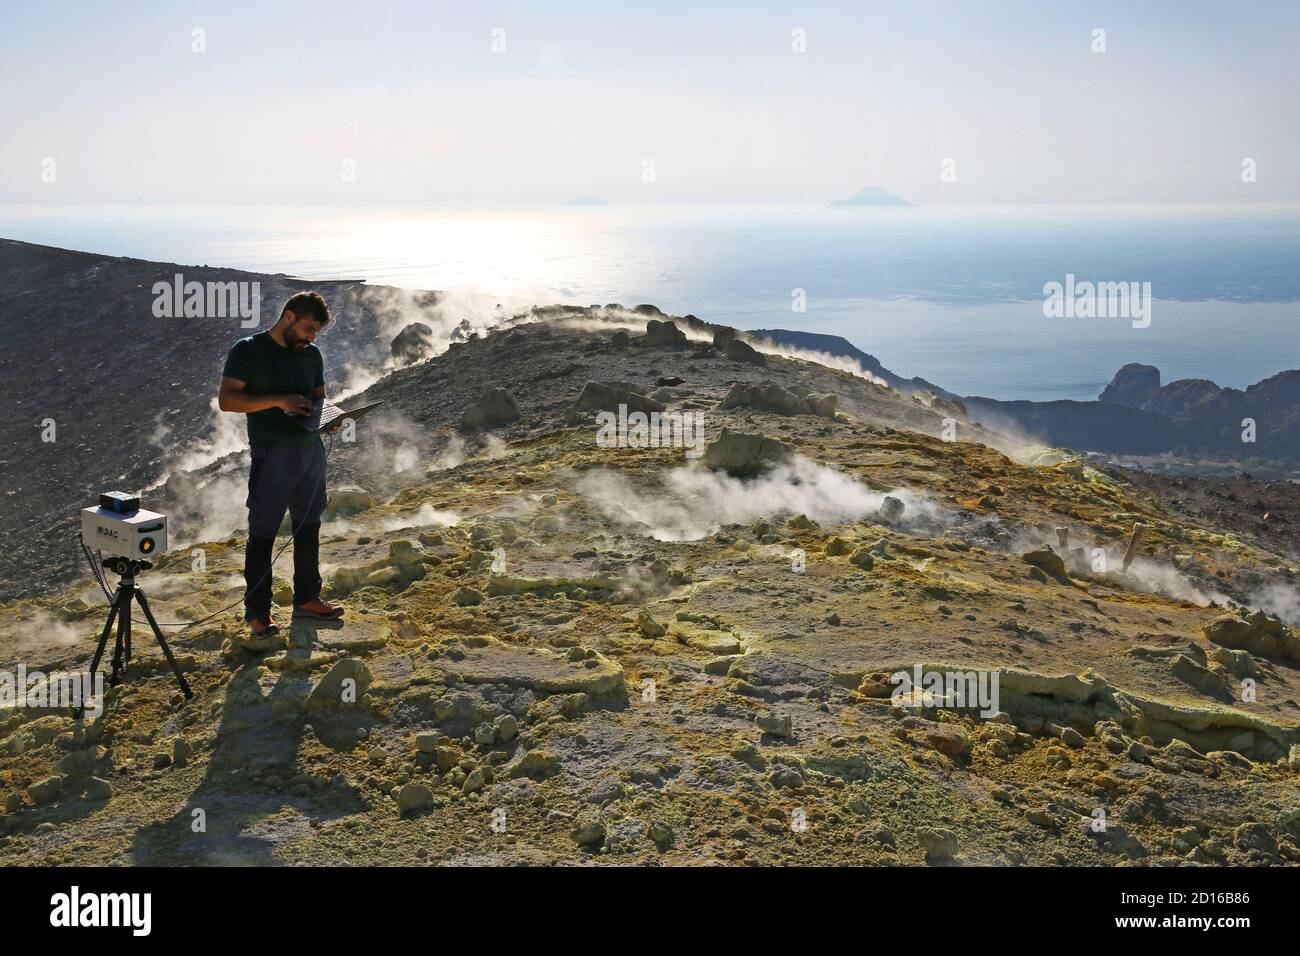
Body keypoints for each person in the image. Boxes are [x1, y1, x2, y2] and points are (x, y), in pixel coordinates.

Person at [218, 291, 345, 636]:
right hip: (271, 453)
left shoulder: (312, 354)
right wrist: (277, 400)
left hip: (310, 451)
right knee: (263, 533)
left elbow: (319, 398)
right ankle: (258, 614)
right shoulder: (247, 350)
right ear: (288, 316)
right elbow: (227, 400)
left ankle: (307, 598)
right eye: (307, 328)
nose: (310, 338)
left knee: (309, 526)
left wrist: (329, 418)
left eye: (315, 332)